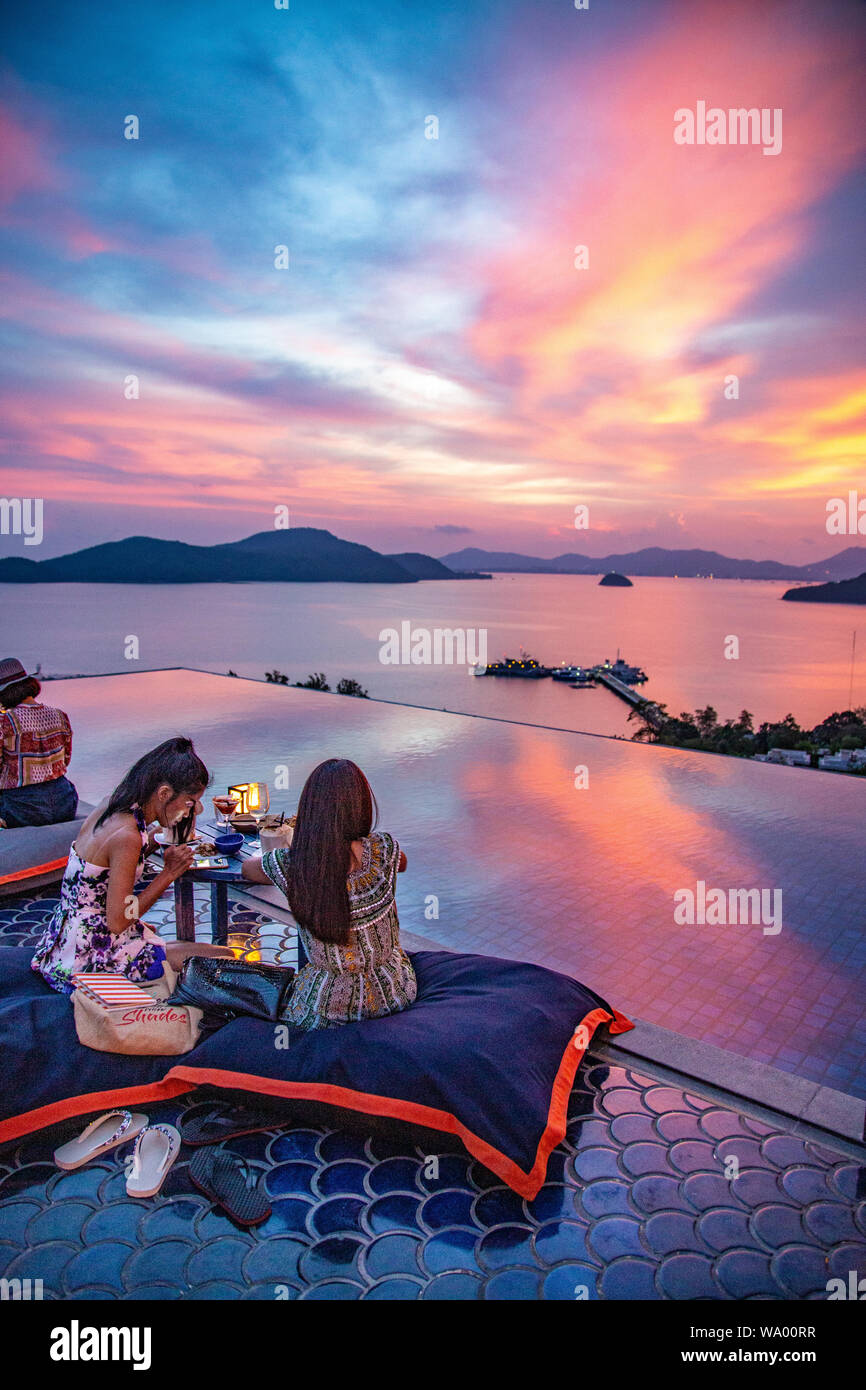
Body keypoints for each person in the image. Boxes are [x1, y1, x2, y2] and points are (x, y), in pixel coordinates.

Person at [32, 736, 232, 994]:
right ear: (164, 794)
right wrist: (169, 873)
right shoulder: (127, 837)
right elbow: (118, 920)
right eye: (190, 803)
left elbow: (98, 876)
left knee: (174, 942)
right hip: (93, 958)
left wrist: (150, 841)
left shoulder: (111, 805)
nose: (195, 810)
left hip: (67, 942)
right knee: (223, 957)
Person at [242, 758, 416, 1029]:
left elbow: (248, 870)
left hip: (328, 1003)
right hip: (393, 991)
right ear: (362, 806)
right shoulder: (383, 849)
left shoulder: (294, 864)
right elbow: (401, 863)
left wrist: (293, 847)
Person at [0, 658, 78, 828]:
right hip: (65, 801)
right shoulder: (60, 715)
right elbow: (65, 760)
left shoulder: (4, 721)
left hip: (21, 809)